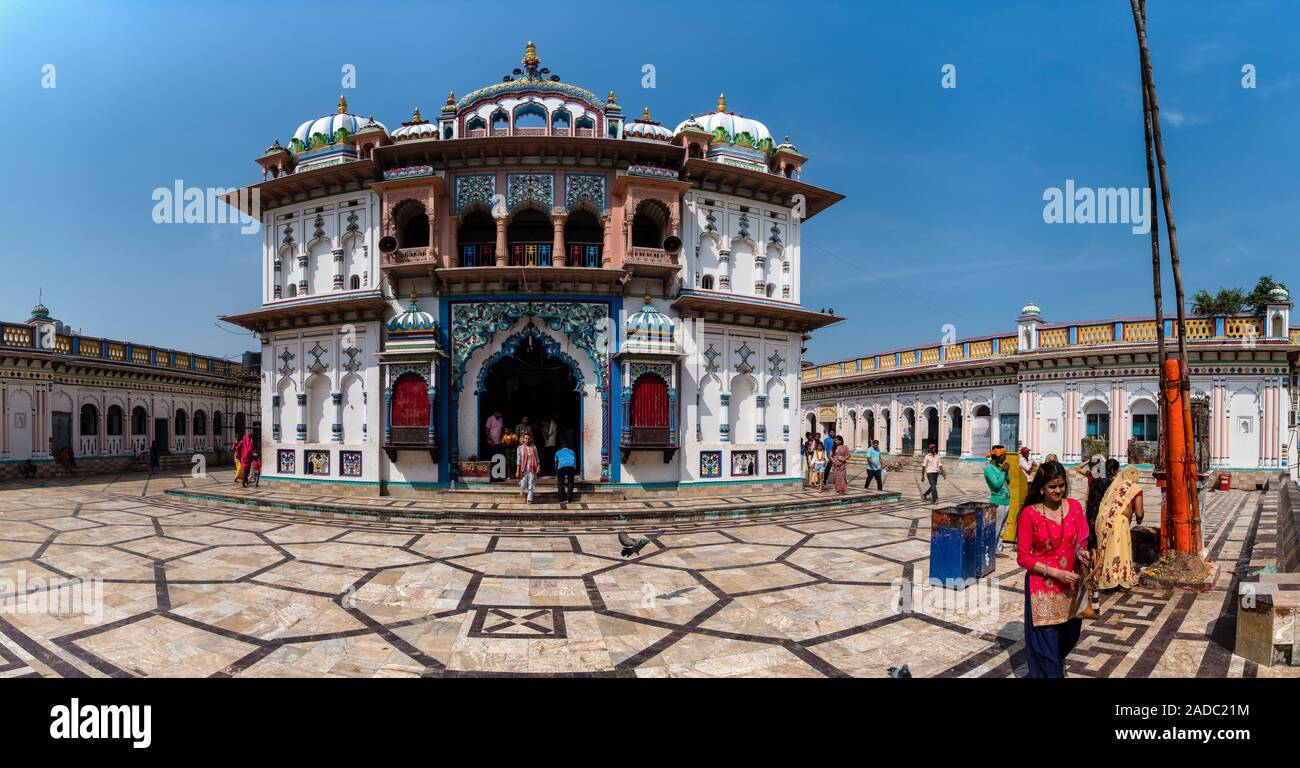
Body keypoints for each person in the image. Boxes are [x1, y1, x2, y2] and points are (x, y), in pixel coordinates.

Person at [1017, 460, 1091, 678]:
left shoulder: (1075, 507)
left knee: (1069, 638)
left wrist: (1081, 551)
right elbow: (1023, 557)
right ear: (1041, 488)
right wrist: (1055, 572)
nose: (1058, 490)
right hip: (1042, 589)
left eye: (1061, 485)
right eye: (1052, 486)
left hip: (1071, 588)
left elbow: (1081, 539)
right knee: (1047, 653)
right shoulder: (1029, 514)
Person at [1092, 463, 1144, 591]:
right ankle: (1121, 580)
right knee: (1119, 550)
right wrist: (1139, 520)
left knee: (1108, 549)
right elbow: (1139, 512)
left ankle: (1105, 577)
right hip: (1120, 521)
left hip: (1104, 519)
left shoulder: (1114, 486)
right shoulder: (1135, 488)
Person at [984, 445, 1011, 552]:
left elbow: (1008, 481)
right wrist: (1004, 472)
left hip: (1006, 501)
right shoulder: (989, 469)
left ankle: (998, 549)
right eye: (1004, 455)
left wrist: (1005, 471)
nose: (1005, 458)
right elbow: (996, 485)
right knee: (996, 528)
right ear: (998, 456)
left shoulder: (999, 467)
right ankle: (991, 550)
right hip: (997, 502)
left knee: (1003, 528)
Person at [516, 432, 540, 503]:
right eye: (526, 438)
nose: (527, 440)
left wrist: (538, 466)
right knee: (523, 482)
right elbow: (518, 460)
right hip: (523, 468)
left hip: (532, 467)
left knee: (531, 482)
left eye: (528, 438)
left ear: (530, 439)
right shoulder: (520, 448)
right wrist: (517, 470)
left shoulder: (534, 447)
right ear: (523, 439)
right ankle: (522, 489)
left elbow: (537, 458)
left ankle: (529, 499)